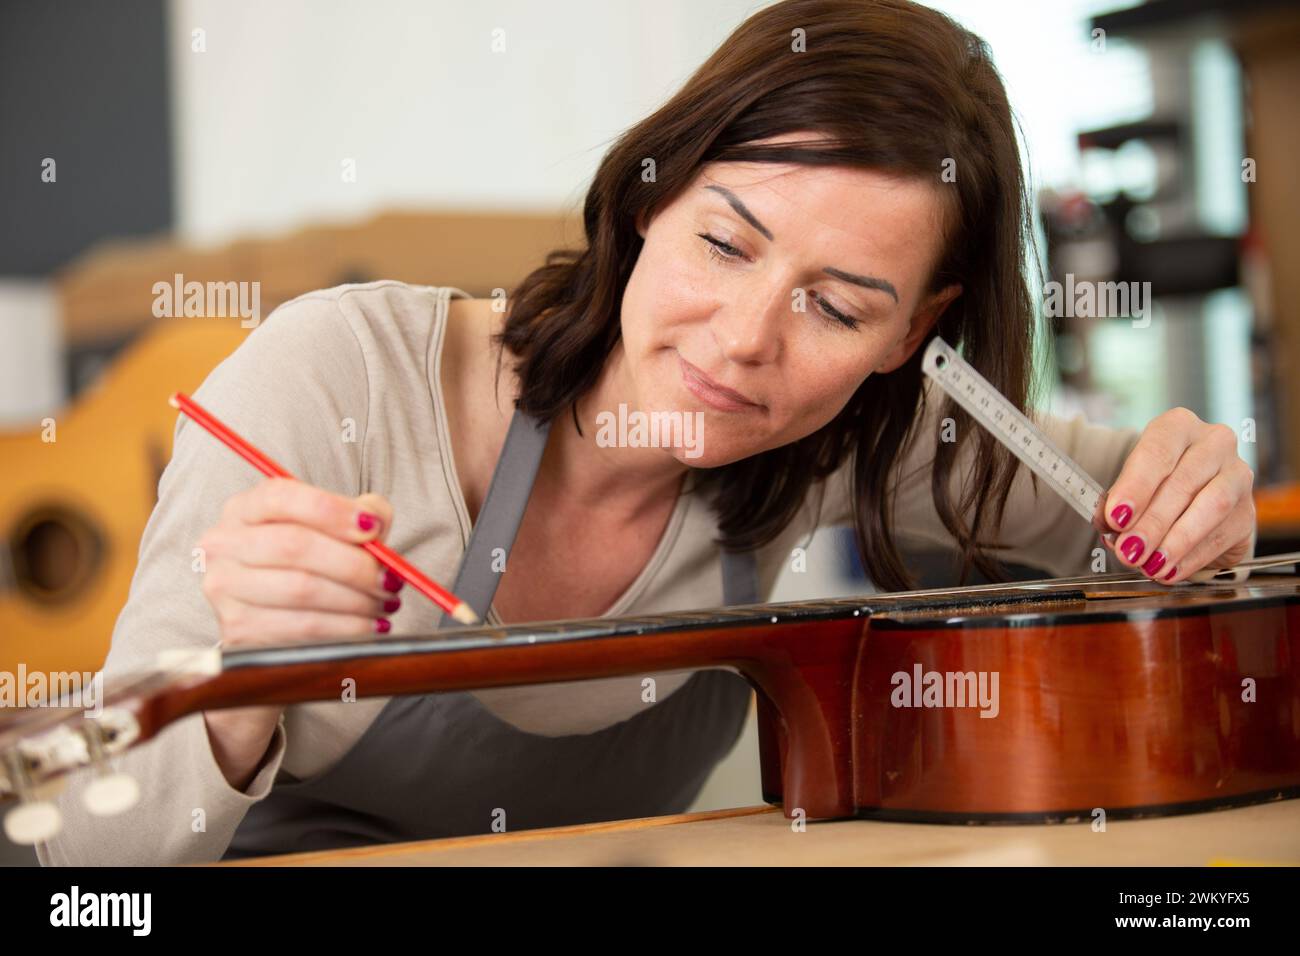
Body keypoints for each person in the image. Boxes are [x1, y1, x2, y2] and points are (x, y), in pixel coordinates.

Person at [39, 0, 1255, 865]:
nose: (741, 341)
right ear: (647, 194)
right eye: (724, 243)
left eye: (836, 306)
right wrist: (233, 691)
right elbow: (85, 871)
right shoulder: (337, 380)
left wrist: (1197, 489)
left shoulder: (854, 432)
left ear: (909, 334)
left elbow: (1120, 518)